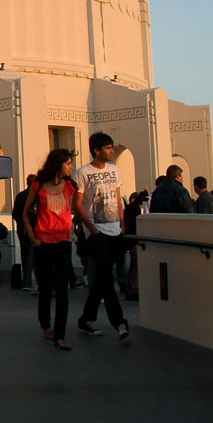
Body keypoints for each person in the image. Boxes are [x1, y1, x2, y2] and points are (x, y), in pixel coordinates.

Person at [72, 132, 130, 341]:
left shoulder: (115, 171)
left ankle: (86, 319)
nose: (112, 151)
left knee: (102, 279)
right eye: (108, 148)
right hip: (96, 232)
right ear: (97, 150)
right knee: (106, 277)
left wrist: (122, 223)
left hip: (115, 229)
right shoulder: (82, 173)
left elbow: (117, 197)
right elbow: (76, 205)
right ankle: (120, 323)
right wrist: (92, 229)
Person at [23, 148, 77, 350]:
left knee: (62, 289)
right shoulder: (38, 185)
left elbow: (70, 211)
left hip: (63, 242)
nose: (71, 167)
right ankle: (45, 325)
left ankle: (60, 335)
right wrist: (32, 237)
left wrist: (70, 232)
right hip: (43, 242)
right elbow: (25, 213)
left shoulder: (70, 186)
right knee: (46, 287)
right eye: (68, 163)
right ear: (58, 164)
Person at [12, 174, 38, 291]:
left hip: (21, 229)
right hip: (34, 230)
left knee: (25, 254)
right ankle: (30, 282)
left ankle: (26, 281)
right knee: (34, 256)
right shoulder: (36, 196)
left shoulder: (20, 196)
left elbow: (15, 214)